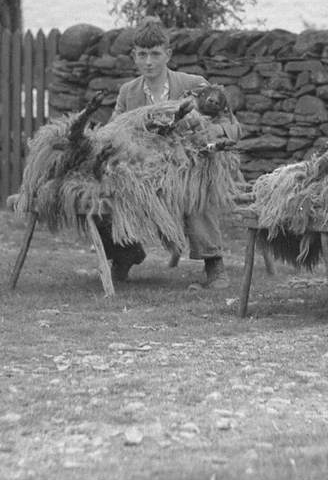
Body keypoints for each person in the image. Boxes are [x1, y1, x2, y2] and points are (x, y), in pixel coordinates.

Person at [101, 17, 239, 288]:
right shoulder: (128, 93)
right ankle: (125, 252)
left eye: (155, 54)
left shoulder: (194, 84)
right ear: (134, 57)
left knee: (195, 185)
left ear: (168, 54)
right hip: (146, 169)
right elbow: (111, 132)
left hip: (190, 163)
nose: (149, 61)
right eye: (142, 55)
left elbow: (232, 126)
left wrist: (211, 133)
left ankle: (214, 262)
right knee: (103, 191)